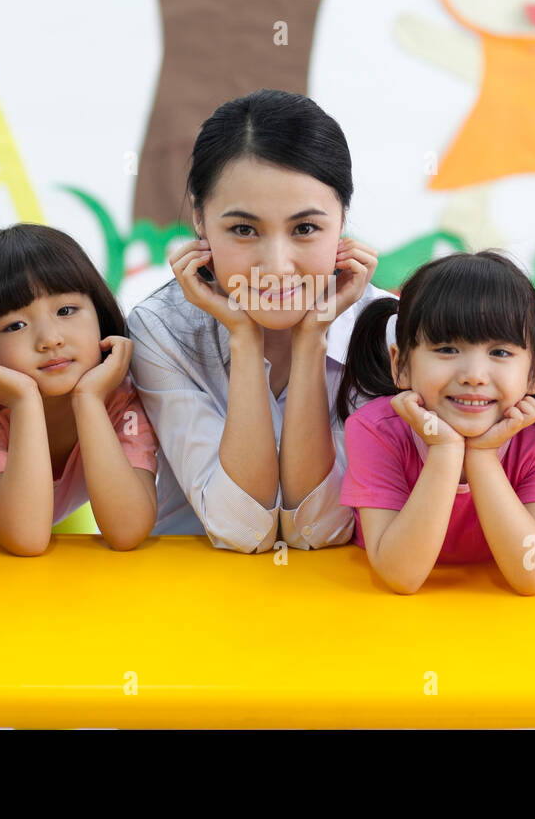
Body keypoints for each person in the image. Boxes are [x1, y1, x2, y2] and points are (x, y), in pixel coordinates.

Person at [127, 88, 384, 552]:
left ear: (343, 219)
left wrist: (312, 343)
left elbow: (318, 532)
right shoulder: (161, 330)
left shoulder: (388, 331)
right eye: (244, 230)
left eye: (305, 229)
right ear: (201, 221)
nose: (277, 265)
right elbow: (242, 532)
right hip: (193, 595)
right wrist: (243, 339)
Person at [337, 251, 535, 595]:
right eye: (446, 349)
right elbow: (401, 575)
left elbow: (533, 575)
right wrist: (445, 450)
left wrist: (483, 457)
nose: (474, 376)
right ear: (401, 365)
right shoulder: (375, 430)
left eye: (500, 353)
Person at [0, 224, 159, 553]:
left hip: (58, 525)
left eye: (66, 311)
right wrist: (23, 402)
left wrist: (89, 400)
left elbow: (128, 531)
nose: (51, 339)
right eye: (15, 325)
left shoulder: (119, 396)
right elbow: (26, 539)